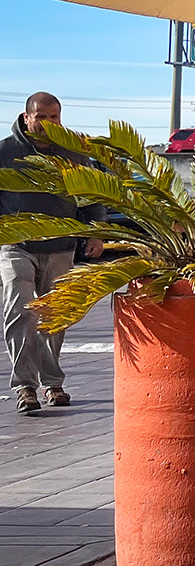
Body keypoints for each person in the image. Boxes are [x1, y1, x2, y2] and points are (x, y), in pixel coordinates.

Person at [1, 94, 104, 414]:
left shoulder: (73, 152)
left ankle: (52, 383)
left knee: (55, 316)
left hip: (60, 247)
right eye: (42, 117)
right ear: (26, 117)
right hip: (16, 246)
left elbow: (92, 193)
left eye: (54, 117)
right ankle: (24, 387)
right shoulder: (4, 152)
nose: (48, 124)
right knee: (21, 312)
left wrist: (96, 231)